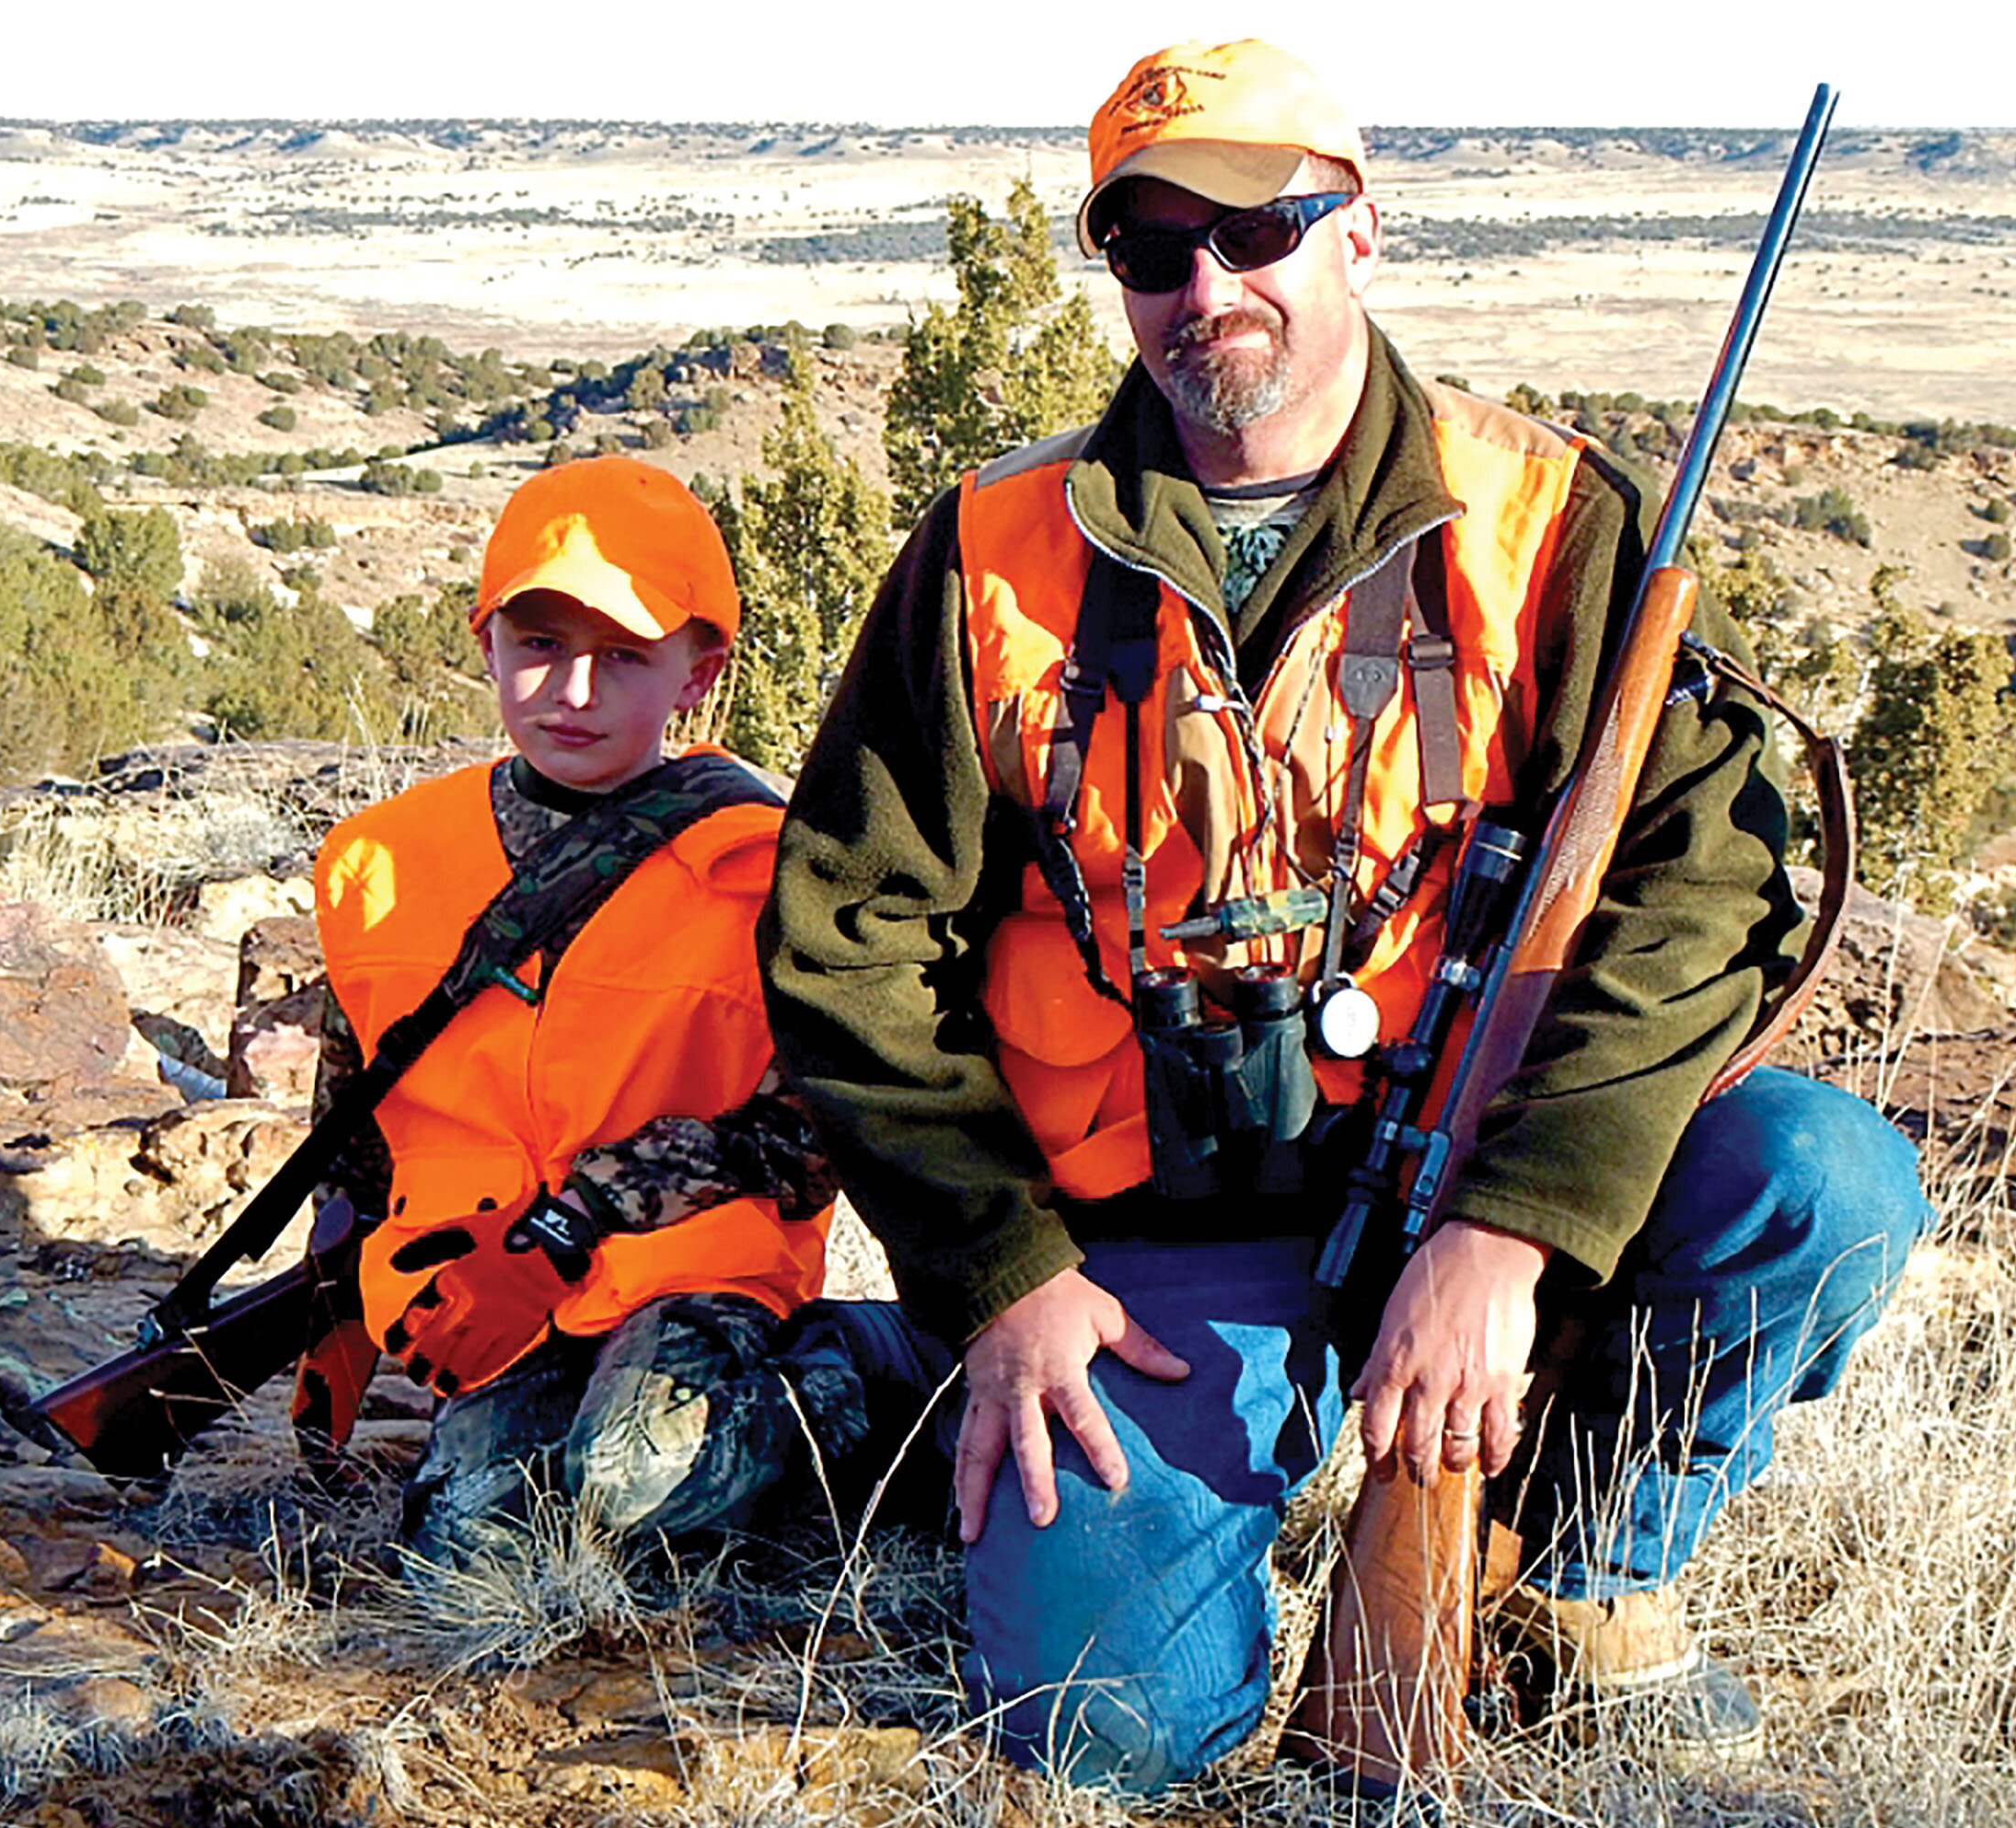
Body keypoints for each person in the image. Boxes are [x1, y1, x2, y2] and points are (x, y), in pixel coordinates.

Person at [759, 38, 1929, 1793]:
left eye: (1256, 228)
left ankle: (1569, 1577)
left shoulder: (1544, 519)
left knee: (1817, 1181)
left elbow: (1695, 885)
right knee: (1105, 1735)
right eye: (1150, 247)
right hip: (1144, 1255)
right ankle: (918, 1381)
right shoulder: (987, 552)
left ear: (1358, 232)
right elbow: (848, 944)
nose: (1204, 287)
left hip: (1466, 1180)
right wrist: (999, 1274)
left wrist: (1511, 1229)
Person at [300, 456, 874, 1567]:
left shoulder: (771, 868)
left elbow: (816, 1138)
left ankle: (874, 1379)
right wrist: (342, 1332)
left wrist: (577, 1219)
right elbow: (353, 1136)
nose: (572, 692)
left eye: (623, 657)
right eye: (539, 645)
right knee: (466, 1551)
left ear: (699, 674)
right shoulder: (379, 864)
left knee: (632, 1480)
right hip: (483, 1296)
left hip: (688, 1275)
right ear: (486, 643)